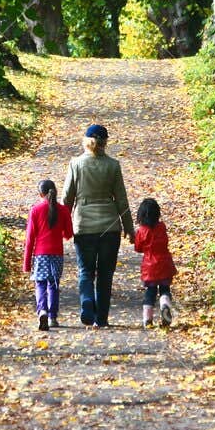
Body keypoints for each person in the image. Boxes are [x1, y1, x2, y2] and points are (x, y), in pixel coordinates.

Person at [62, 123, 132, 327]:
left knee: (85, 271)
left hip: (84, 225)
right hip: (110, 226)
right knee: (105, 274)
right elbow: (121, 199)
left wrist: (63, 225)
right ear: (105, 143)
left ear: (86, 142)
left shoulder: (75, 164)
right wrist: (129, 227)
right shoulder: (113, 165)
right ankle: (101, 318)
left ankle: (86, 301)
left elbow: (67, 198)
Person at [22, 178, 73, 332]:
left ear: (40, 194)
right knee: (54, 284)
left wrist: (26, 263)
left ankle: (42, 310)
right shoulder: (63, 210)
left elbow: (30, 238)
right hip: (57, 254)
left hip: (40, 254)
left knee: (40, 284)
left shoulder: (36, 210)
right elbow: (69, 234)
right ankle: (53, 317)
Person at [133, 198, 177, 328]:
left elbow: (138, 248)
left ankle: (148, 319)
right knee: (165, 289)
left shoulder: (142, 231)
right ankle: (165, 305)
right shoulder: (162, 227)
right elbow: (165, 241)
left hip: (149, 267)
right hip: (164, 264)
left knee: (150, 292)